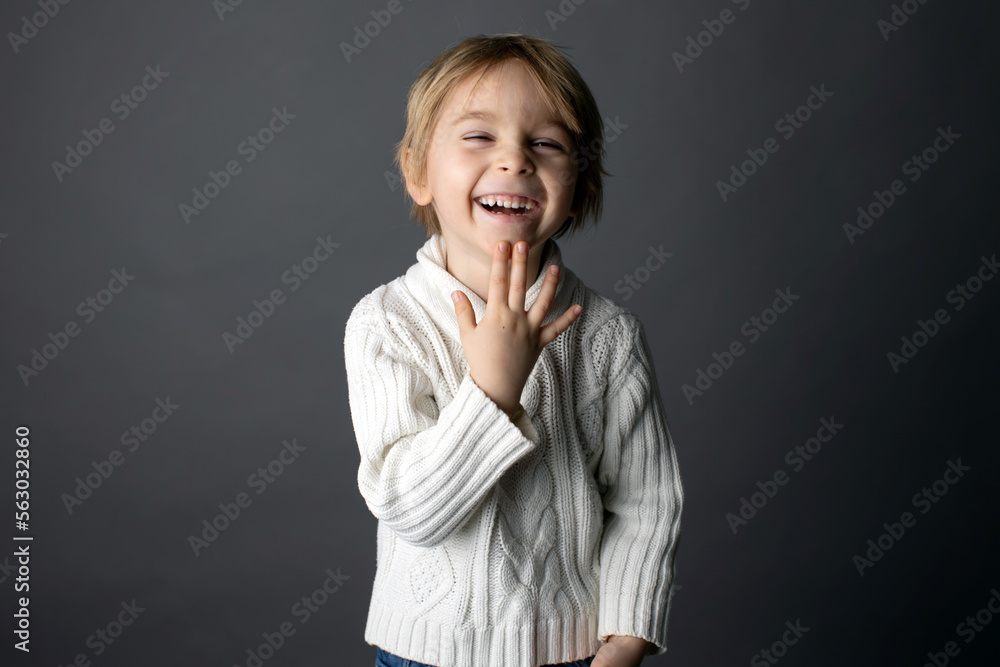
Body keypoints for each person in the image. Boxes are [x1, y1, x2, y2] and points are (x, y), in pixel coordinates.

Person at [343, 33, 683, 667]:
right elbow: (409, 510)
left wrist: (626, 640)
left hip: (573, 652)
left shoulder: (607, 333)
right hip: (424, 655)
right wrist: (492, 392)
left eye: (547, 144)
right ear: (418, 172)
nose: (515, 161)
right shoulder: (386, 322)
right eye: (478, 136)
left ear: (577, 189)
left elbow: (647, 504)